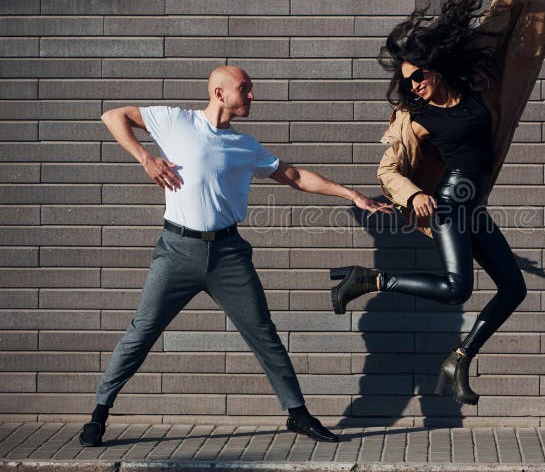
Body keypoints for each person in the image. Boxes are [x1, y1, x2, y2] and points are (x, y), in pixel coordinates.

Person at [79, 66, 392, 447]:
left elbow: (293, 176)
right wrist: (146, 158)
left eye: (251, 89)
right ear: (219, 92)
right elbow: (113, 117)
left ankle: (297, 414)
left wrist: (353, 196)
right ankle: (99, 414)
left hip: (228, 255)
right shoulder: (175, 121)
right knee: (141, 333)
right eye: (245, 89)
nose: (251, 96)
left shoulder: (245, 146)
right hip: (176, 251)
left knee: (263, 333)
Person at [330, 0, 545, 405]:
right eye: (408, 81)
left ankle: (459, 358)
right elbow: (387, 170)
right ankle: (370, 280)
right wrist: (413, 194)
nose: (414, 85)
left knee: (514, 288)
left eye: (419, 76)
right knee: (458, 289)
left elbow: (491, 33)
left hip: (474, 207)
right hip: (450, 205)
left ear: (436, 66)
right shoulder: (413, 117)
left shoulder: (473, 87)